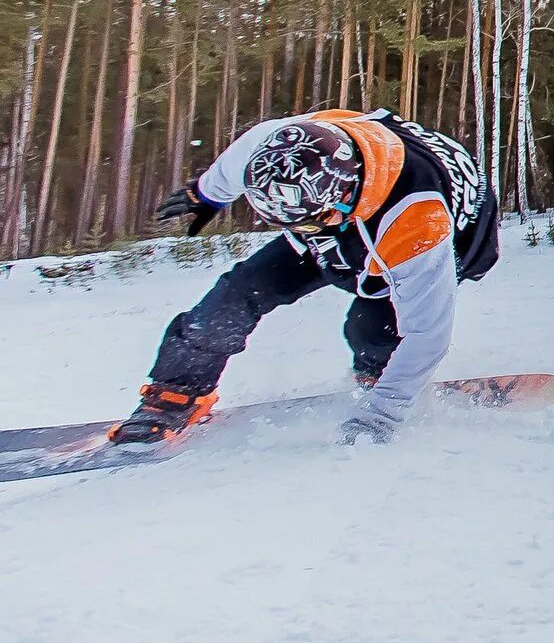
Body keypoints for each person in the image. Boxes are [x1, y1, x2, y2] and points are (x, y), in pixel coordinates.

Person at [113, 108, 498, 444]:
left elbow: (427, 332)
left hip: (451, 226)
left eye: (304, 224)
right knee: (237, 294)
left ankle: (381, 374)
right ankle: (177, 394)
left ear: (337, 202)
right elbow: (235, 164)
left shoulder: (418, 221)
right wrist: (205, 194)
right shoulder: (275, 144)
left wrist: (381, 415)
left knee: (372, 325)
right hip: (346, 211)